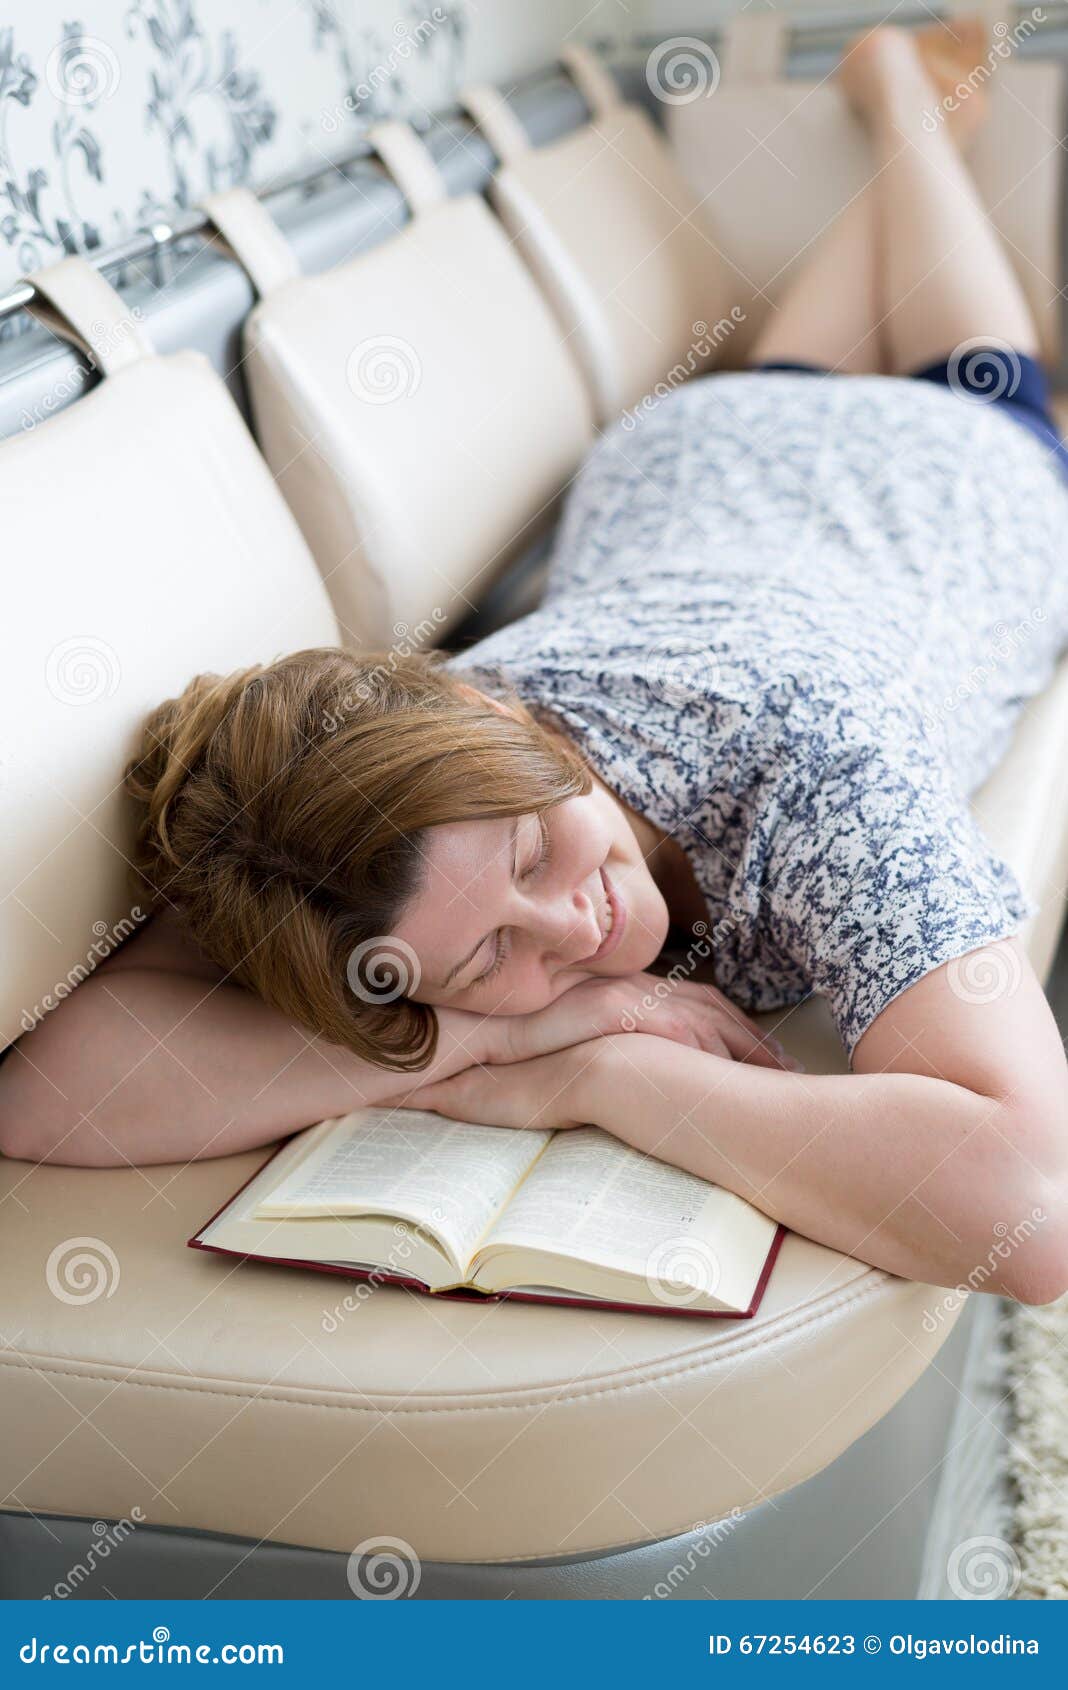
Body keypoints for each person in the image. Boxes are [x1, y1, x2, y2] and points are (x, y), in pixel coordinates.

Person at [3, 25, 1067, 1302]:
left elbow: (1036, 1211)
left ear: (493, 712)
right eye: (485, 962)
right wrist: (548, 1036)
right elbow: (43, 1089)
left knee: (992, 386)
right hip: (695, 453)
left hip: (934, 470)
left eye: (528, 857)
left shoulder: (819, 775)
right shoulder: (359, 824)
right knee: (785, 383)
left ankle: (906, 101)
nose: (579, 929)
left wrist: (589, 1071)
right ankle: (906, 111)